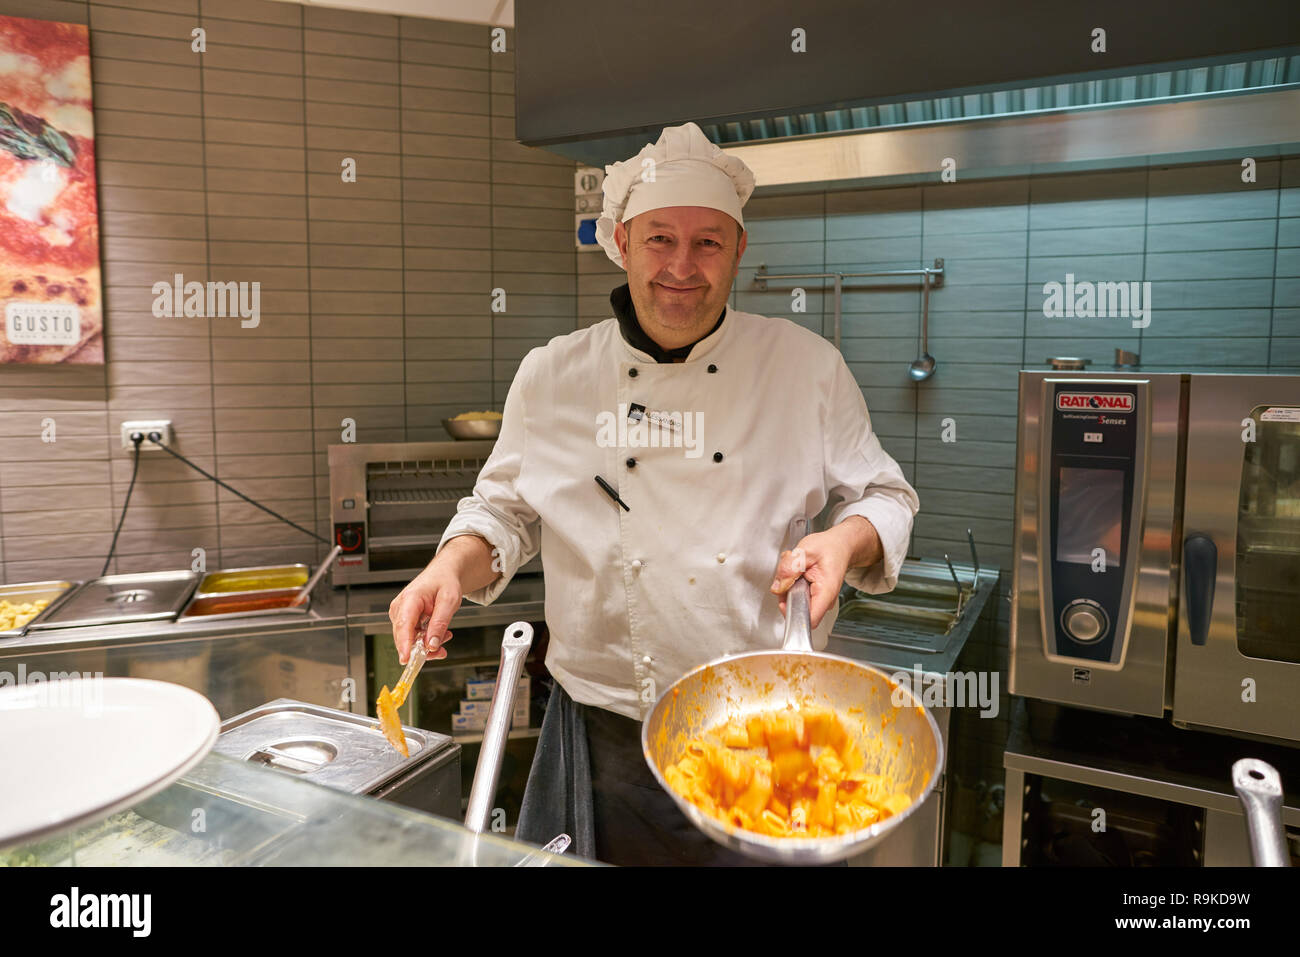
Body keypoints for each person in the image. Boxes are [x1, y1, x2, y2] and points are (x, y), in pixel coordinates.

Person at [388, 121, 920, 865]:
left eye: (708, 242)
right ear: (621, 241)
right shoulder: (554, 375)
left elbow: (887, 495)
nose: (683, 266)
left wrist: (844, 539)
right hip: (605, 739)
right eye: (660, 238)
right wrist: (448, 567)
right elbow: (502, 511)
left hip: (760, 733)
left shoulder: (806, 368)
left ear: (739, 250)